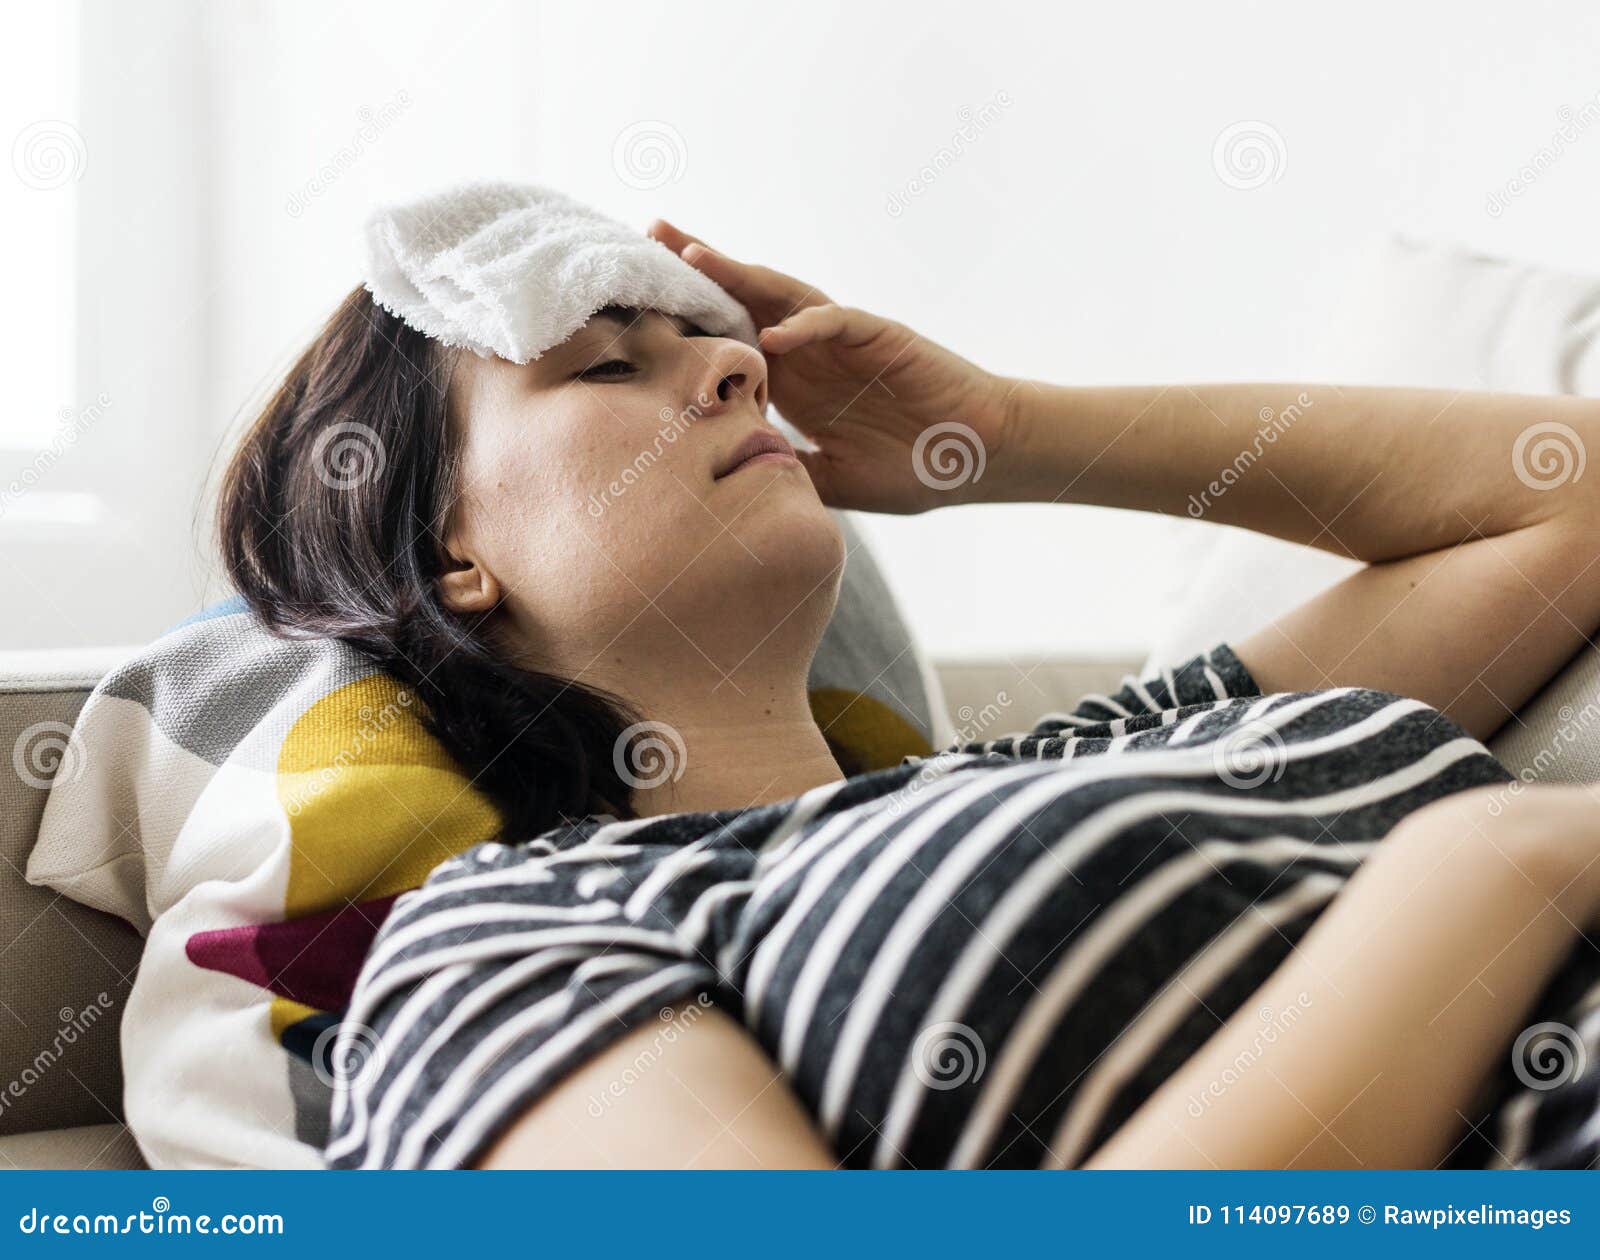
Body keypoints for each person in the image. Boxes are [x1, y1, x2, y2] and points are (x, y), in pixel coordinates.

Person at [217, 217, 1600, 1170]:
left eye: (713, 342)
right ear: (449, 548)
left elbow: (1569, 508)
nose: (741, 362)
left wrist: (1001, 433)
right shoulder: (507, 938)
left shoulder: (1102, 751)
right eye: (607, 363)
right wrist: (1495, 866)